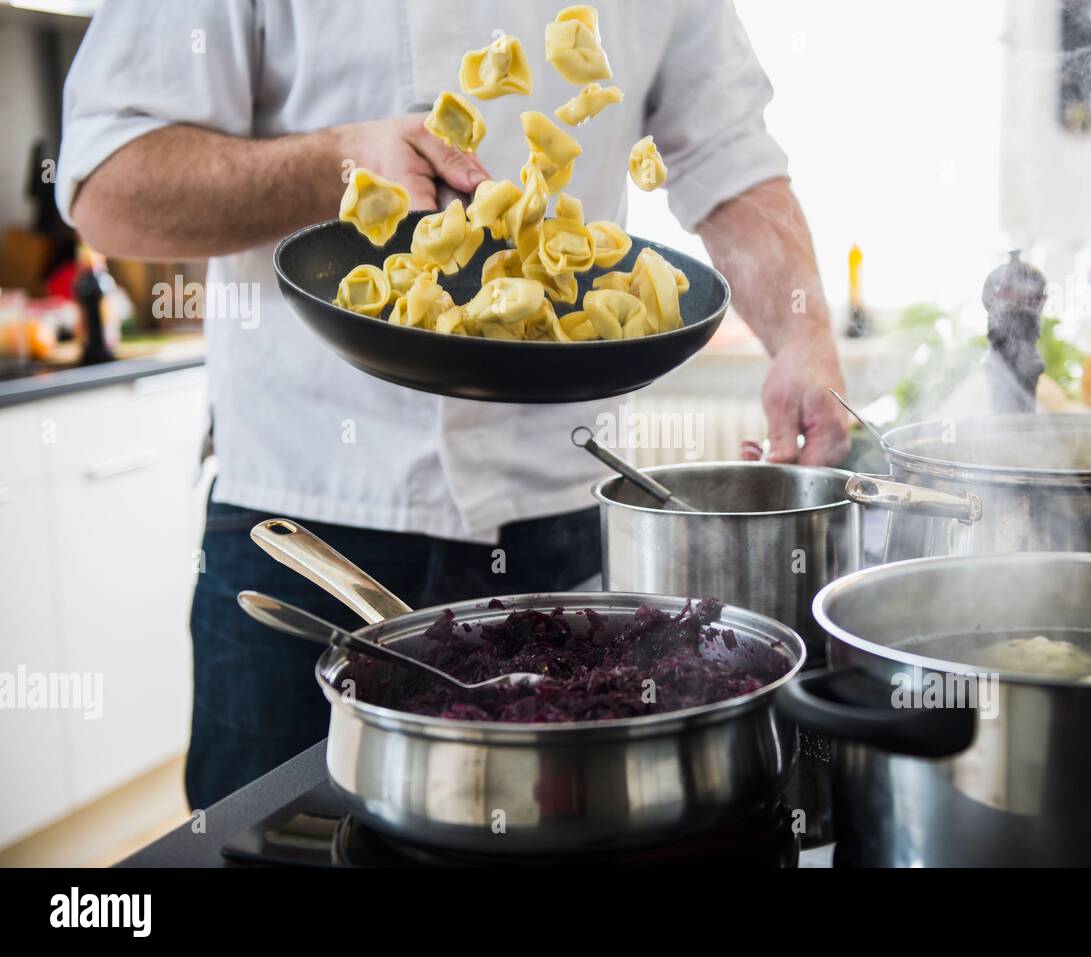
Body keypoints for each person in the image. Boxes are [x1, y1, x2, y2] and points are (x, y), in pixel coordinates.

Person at [57, 0, 850, 808]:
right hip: (307, 510)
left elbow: (729, 156)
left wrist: (803, 337)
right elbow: (104, 182)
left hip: (562, 520)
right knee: (266, 841)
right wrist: (340, 165)